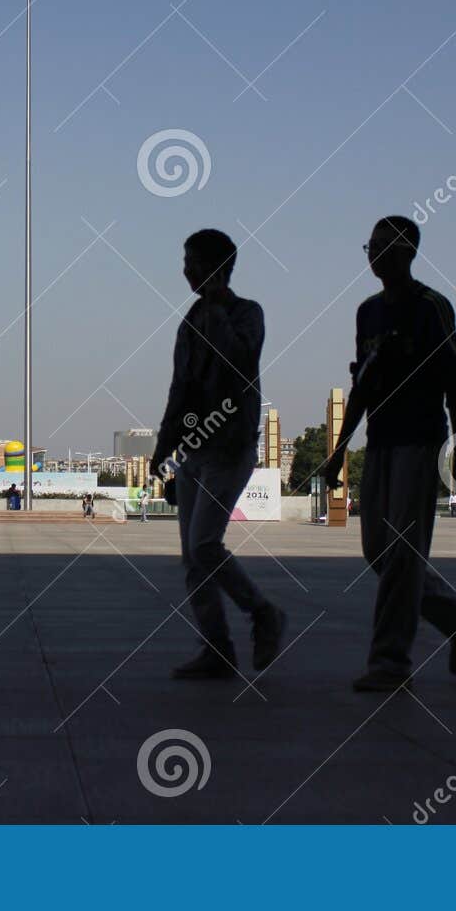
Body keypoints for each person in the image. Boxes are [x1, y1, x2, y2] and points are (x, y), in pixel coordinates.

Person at [324, 215, 456, 693]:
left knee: (404, 552)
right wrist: (340, 449)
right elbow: (363, 385)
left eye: (382, 245)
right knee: (378, 549)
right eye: (368, 245)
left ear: (408, 251)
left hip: (420, 437)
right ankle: (454, 613)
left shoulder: (431, 307)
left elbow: (455, 378)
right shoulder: (366, 313)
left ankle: (390, 661)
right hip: (382, 439)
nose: (372, 253)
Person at [151, 228, 286, 680]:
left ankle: (262, 612)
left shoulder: (247, 313)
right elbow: (179, 388)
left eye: (193, 261)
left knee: (206, 544)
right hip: (193, 451)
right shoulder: (188, 321)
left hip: (230, 446)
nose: (185, 270)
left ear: (217, 266)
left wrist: (216, 309)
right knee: (194, 557)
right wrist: (163, 448)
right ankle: (217, 649)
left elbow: (240, 362)